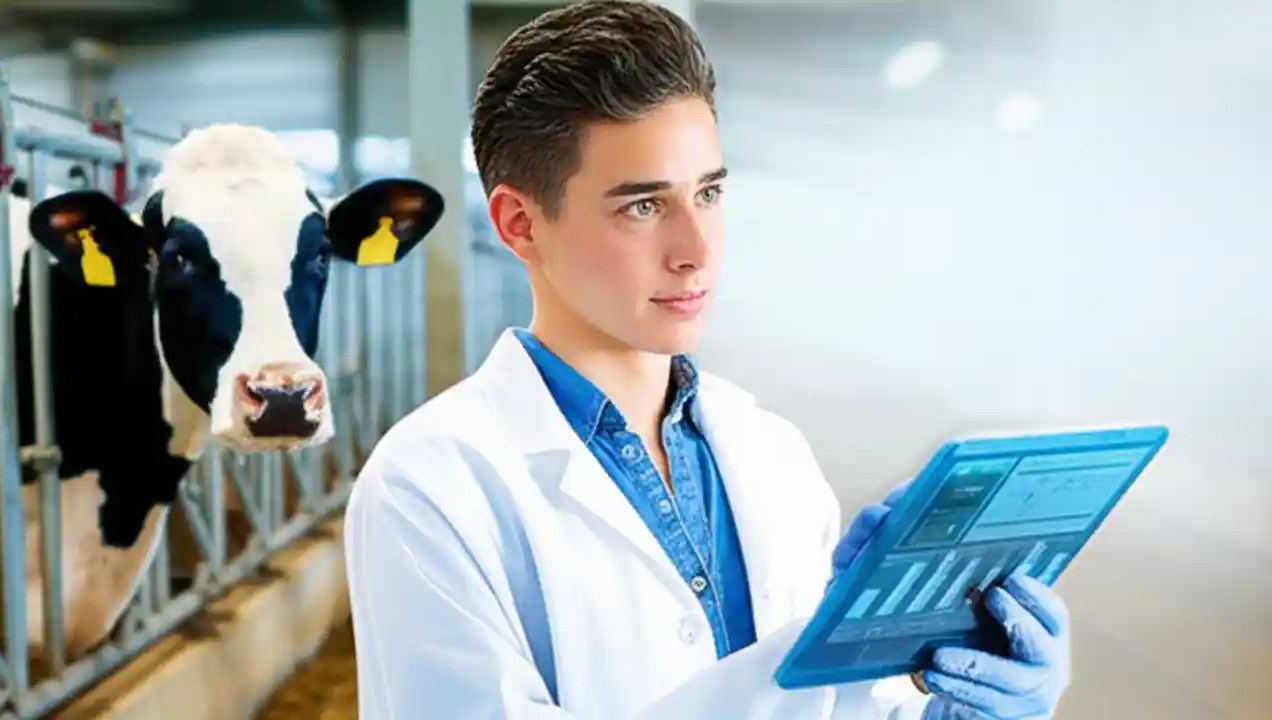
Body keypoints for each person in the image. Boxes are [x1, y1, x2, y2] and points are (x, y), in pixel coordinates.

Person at [343, 1, 1073, 718]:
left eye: (709, 193)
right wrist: (799, 659)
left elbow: (853, 713)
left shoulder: (773, 454)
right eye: (643, 206)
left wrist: (958, 705)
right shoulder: (430, 488)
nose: (696, 251)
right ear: (520, 223)